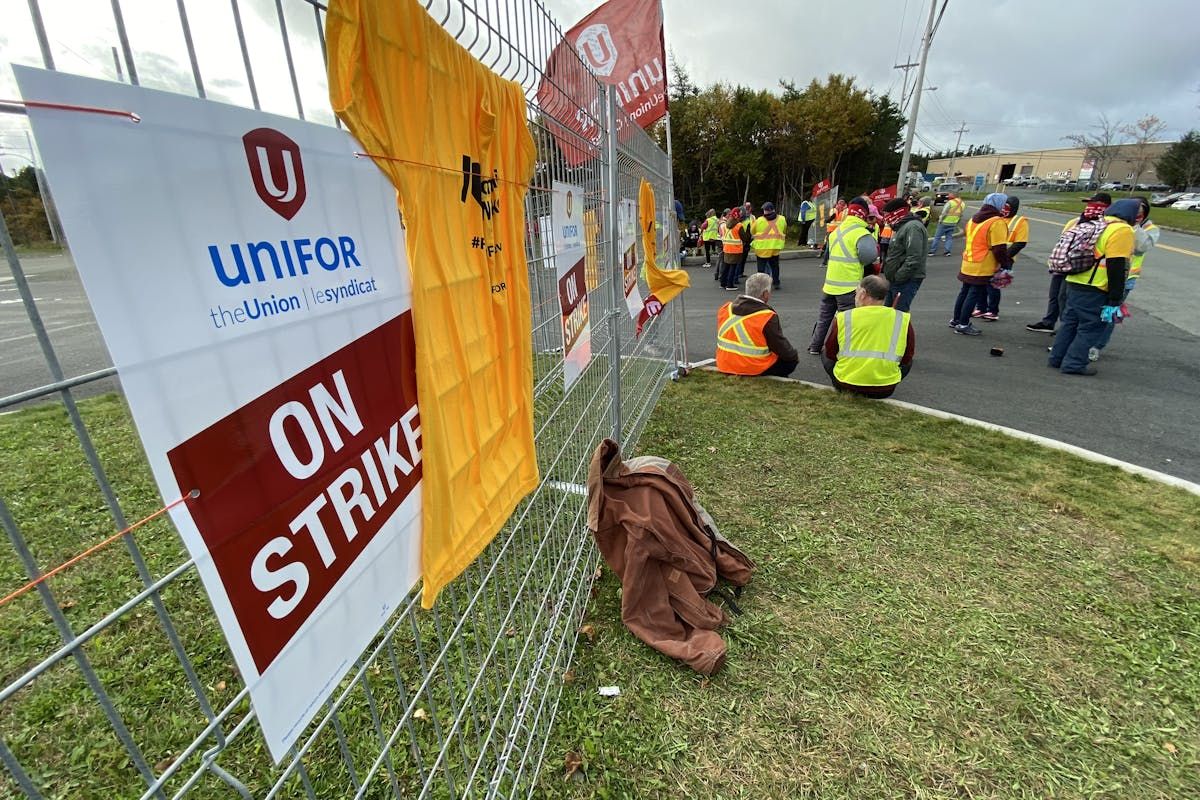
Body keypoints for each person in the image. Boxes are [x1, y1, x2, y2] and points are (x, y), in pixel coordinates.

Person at [1048, 198, 1138, 375]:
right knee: (1090, 327)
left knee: (1069, 323)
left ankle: (1057, 358)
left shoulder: (1096, 225)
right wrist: (1115, 296)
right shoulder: (1122, 230)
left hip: (1075, 280)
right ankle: (1074, 364)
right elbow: (1116, 265)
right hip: (1096, 286)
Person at [1026, 192, 1111, 333]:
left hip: (1080, 266)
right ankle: (1049, 321)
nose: (1090, 208)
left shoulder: (1104, 226)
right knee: (1055, 295)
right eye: (1089, 204)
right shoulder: (1074, 222)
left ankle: (1065, 327)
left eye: (1096, 205)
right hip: (1063, 264)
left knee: (1064, 298)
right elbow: (1062, 242)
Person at [822, 274, 915, 398]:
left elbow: (830, 352)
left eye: (856, 293)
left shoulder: (844, 317)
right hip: (885, 389)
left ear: (863, 293)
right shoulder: (902, 319)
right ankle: (883, 380)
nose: (855, 297)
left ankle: (845, 380)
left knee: (824, 352)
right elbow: (907, 357)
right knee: (909, 362)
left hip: (846, 384)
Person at [807, 197, 879, 354]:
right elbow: (869, 257)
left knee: (824, 318)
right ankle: (843, 350)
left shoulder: (837, 231)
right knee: (847, 321)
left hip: (830, 284)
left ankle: (815, 346)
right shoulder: (861, 233)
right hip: (848, 286)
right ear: (864, 214)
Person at [1091, 196, 1157, 362]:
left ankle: (1096, 346)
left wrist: (1134, 225)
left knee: (1109, 314)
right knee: (1088, 312)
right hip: (1099, 275)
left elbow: (1141, 248)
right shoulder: (1114, 222)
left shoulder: (1149, 228)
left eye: (1140, 210)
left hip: (1125, 279)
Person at [949, 192, 1011, 336]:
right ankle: (963, 324)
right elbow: (999, 248)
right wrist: (1005, 264)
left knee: (964, 291)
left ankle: (956, 320)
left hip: (968, 261)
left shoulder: (973, 219)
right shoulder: (996, 222)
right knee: (974, 293)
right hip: (983, 263)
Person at [715, 272, 799, 377]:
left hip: (724, 363)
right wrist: (794, 355)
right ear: (765, 294)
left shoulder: (725, 308)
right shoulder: (766, 316)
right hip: (752, 367)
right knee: (789, 361)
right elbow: (780, 346)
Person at [973, 196, 1028, 321]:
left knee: (994, 285)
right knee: (982, 282)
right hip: (989, 256)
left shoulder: (1020, 221)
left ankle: (993, 310)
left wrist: (1004, 258)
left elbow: (1020, 243)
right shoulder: (996, 218)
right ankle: (981, 308)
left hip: (1005, 258)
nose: (1004, 210)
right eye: (1003, 206)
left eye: (1007, 208)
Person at [880, 197, 928, 312]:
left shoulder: (912, 228)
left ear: (897, 213)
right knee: (888, 313)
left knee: (899, 314)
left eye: (887, 214)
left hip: (906, 280)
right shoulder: (902, 227)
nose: (885, 218)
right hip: (896, 279)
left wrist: (899, 277)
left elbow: (914, 257)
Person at [751, 201, 788, 290]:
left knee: (761, 268)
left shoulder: (759, 220)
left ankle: (761, 284)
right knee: (775, 267)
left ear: (764, 211)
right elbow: (784, 229)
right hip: (775, 247)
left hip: (761, 248)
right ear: (773, 210)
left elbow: (752, 231)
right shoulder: (782, 219)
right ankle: (776, 282)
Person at [719, 208, 750, 290]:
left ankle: (723, 283)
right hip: (735, 249)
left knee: (726, 266)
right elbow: (744, 238)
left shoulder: (726, 224)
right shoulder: (738, 225)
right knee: (733, 267)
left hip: (726, 248)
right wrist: (748, 234)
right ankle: (730, 285)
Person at [929, 191, 965, 256]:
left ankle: (932, 251)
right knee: (949, 237)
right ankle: (947, 252)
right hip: (953, 223)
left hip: (944, 222)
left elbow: (944, 212)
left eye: (949, 194)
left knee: (937, 237)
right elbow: (960, 214)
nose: (948, 196)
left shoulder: (950, 202)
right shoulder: (962, 204)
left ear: (953, 195)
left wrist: (940, 220)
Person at [737, 202, 755, 280]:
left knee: (743, 258)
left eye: (749, 207)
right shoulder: (742, 219)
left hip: (746, 240)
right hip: (743, 240)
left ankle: (740, 272)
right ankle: (738, 273)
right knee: (741, 258)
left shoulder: (751, 217)